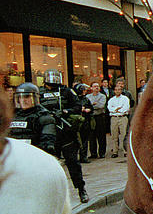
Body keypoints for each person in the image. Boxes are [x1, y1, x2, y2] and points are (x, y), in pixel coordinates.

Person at [39, 70, 88, 203]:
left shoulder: (66, 91)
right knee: (47, 166)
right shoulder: (40, 92)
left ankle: (81, 190)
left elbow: (78, 106)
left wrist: (66, 111)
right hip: (48, 134)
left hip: (65, 132)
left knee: (73, 163)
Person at [9, 82, 57, 156]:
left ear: (35, 98)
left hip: (33, 156)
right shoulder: (11, 116)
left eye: (27, 97)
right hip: (13, 156)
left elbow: (47, 143)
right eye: (20, 97)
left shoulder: (44, 117)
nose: (23, 100)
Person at [106, 82, 130, 158]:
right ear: (114, 91)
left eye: (119, 90)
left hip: (123, 117)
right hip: (114, 118)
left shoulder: (125, 99)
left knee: (124, 135)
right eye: (116, 90)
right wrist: (117, 109)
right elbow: (110, 108)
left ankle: (125, 151)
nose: (117, 91)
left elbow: (125, 108)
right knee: (114, 135)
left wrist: (117, 109)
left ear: (121, 90)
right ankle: (115, 151)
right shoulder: (111, 100)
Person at [85, 81, 107, 159]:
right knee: (92, 136)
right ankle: (93, 153)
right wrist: (93, 104)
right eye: (94, 86)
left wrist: (91, 106)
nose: (96, 88)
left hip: (100, 117)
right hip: (91, 117)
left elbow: (101, 105)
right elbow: (85, 105)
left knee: (101, 136)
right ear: (91, 88)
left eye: (98, 86)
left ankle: (102, 153)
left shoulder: (102, 96)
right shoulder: (87, 96)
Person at [73, 83, 93, 163]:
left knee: (85, 140)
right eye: (83, 90)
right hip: (76, 122)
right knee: (76, 140)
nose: (84, 92)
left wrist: (88, 110)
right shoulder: (74, 99)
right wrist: (79, 109)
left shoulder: (86, 99)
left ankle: (83, 156)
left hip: (85, 121)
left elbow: (91, 108)